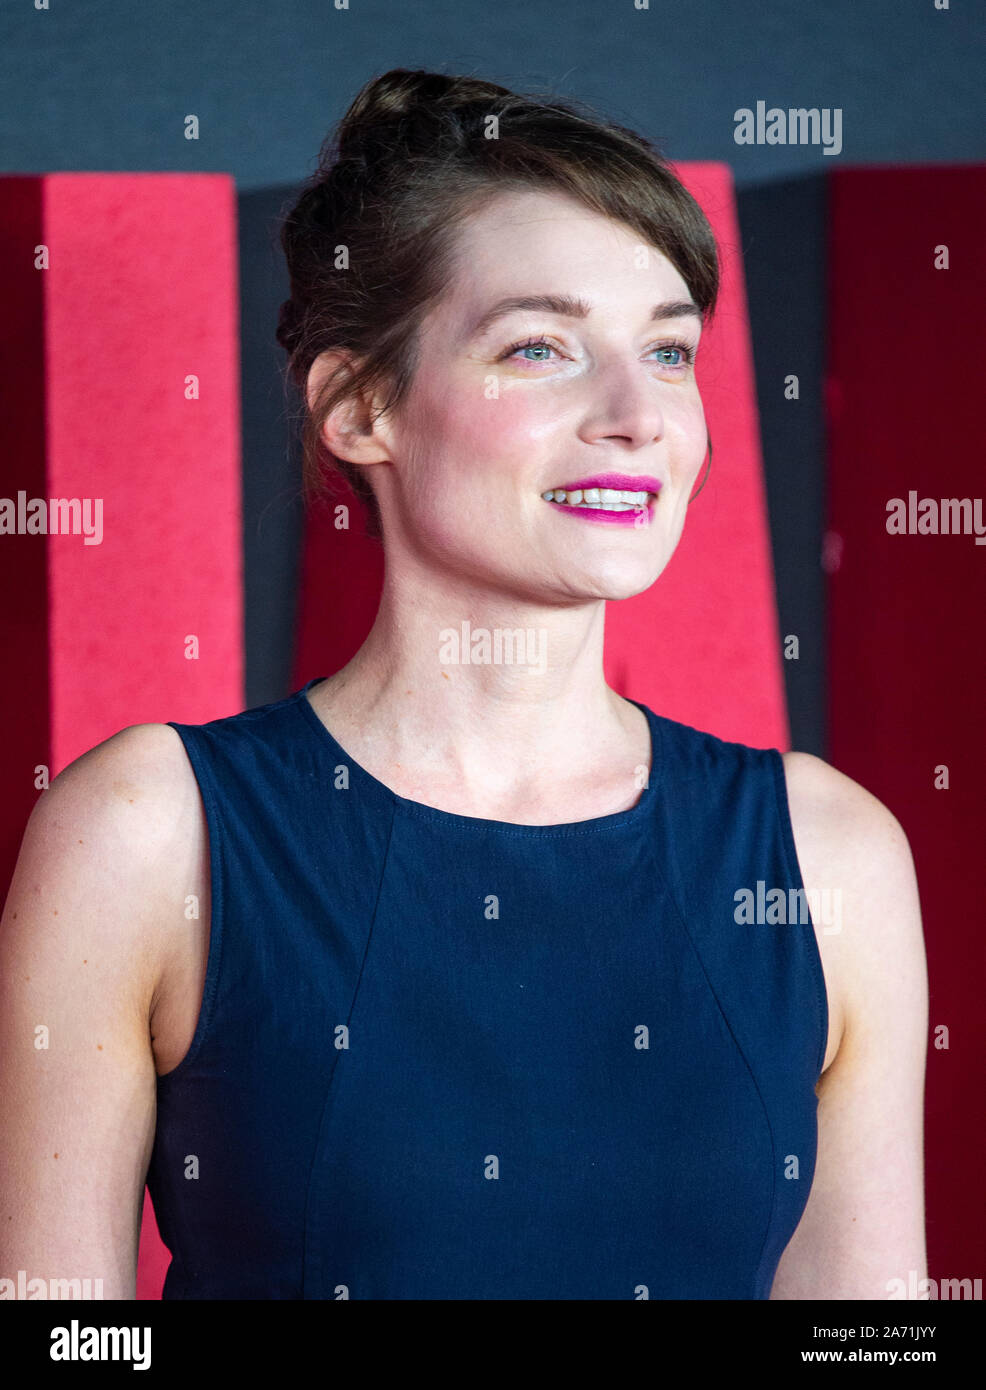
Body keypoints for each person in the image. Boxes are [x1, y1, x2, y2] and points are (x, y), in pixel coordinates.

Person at [0, 68, 927, 1300]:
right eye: (539, 345)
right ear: (359, 404)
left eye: (666, 350)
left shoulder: (828, 854)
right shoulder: (145, 832)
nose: (634, 414)